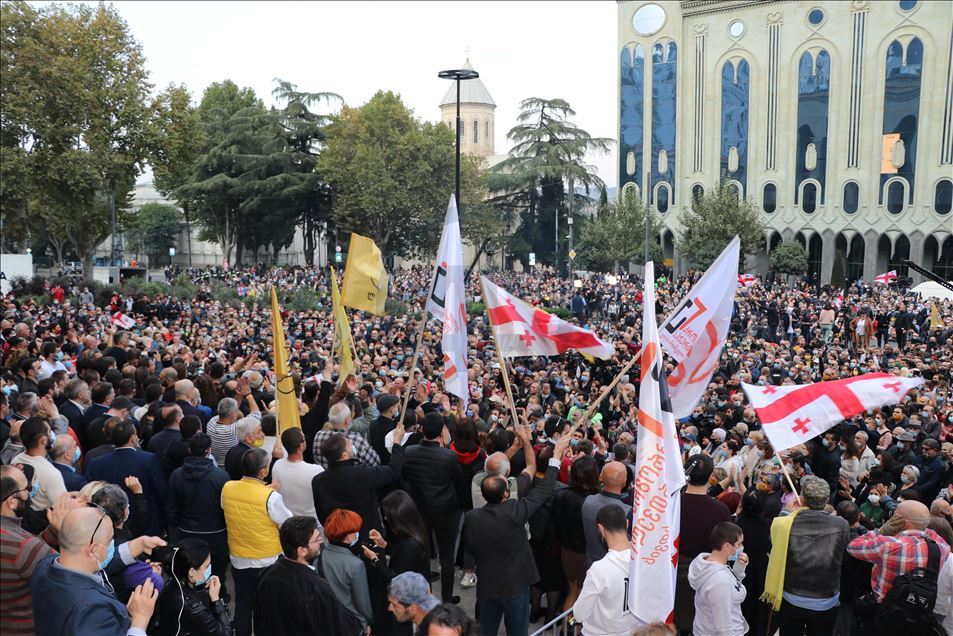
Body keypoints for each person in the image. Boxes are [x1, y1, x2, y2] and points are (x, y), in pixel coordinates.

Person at [466, 434, 567, 636]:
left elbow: (472, 549)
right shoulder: (514, 511)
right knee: (517, 630)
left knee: (486, 629)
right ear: (505, 494)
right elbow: (545, 489)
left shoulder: (472, 516)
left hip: (487, 584)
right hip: (515, 585)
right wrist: (556, 456)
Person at [29, 506, 159, 636]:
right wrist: (140, 619)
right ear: (93, 551)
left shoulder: (44, 564)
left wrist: (139, 545)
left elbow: (97, 562)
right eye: (110, 540)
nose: (112, 544)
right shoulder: (92, 611)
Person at [0, 465, 84, 635]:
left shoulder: (22, 544)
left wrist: (53, 531)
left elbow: (28, 554)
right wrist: (68, 527)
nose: (31, 491)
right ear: (11, 501)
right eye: (27, 488)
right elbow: (72, 575)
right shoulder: (24, 547)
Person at [762, 475, 850, 636]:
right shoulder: (842, 524)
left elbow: (774, 541)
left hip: (793, 597)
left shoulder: (785, 523)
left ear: (802, 499)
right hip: (825, 598)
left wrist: (786, 512)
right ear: (826, 500)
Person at [847, 500, 952, 632]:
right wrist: (920, 523)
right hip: (916, 611)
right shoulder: (941, 547)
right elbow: (930, 533)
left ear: (903, 522)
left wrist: (880, 531)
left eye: (895, 516)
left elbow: (853, 547)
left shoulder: (888, 545)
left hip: (882, 610)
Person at [220, 447, 292, 636]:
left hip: (239, 558)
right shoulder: (271, 497)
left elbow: (235, 502)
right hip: (267, 560)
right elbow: (287, 522)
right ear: (263, 472)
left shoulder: (228, 488)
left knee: (243, 605)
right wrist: (272, 491)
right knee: (268, 607)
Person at [253, 515, 364, 635]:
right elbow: (336, 627)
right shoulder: (315, 588)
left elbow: (260, 620)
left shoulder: (266, 575)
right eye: (316, 539)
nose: (321, 541)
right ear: (302, 550)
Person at [402, 412, 463, 603]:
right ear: (441, 431)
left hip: (421, 510)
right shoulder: (449, 456)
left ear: (422, 429)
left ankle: (426, 596)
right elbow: (460, 484)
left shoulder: (409, 451)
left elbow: (404, 479)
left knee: (424, 554)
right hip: (445, 511)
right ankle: (445, 600)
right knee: (446, 556)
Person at [312, 425, 405, 537]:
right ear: (344, 455)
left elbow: (322, 515)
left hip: (338, 537)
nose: (353, 445)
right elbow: (392, 471)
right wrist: (397, 443)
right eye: (349, 444)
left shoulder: (318, 481)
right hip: (369, 537)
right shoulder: (360, 474)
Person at [674, 454, 731, 632]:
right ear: (710, 475)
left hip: (675, 571)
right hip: (706, 573)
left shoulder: (671, 505)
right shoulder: (721, 509)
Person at [166, 434, 230, 589]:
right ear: (208, 451)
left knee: (190, 571)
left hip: (187, 532)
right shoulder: (220, 476)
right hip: (215, 534)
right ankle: (218, 598)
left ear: (190, 450)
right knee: (217, 573)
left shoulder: (177, 475)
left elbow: (171, 506)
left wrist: (175, 527)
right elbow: (226, 508)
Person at [86, 419, 167, 536]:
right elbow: (160, 491)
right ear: (133, 438)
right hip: (145, 523)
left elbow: (89, 491)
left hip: (107, 523)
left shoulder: (97, 463)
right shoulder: (148, 459)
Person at [573, 504, 644, 636]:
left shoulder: (599, 570)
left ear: (600, 529)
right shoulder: (643, 560)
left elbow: (579, 614)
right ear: (627, 524)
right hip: (633, 631)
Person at [156, 538, 232, 636]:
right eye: (206, 566)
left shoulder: (170, 585)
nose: (210, 568)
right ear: (191, 572)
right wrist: (216, 599)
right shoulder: (194, 609)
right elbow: (226, 634)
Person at [688, 521, 749, 636]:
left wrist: (739, 567)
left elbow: (733, 588)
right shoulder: (719, 581)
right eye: (739, 544)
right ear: (727, 546)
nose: (742, 547)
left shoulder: (706, 563)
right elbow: (723, 629)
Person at [321, 508, 374, 629]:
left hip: (327, 620)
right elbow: (362, 602)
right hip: (351, 623)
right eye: (355, 531)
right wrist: (369, 621)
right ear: (349, 537)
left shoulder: (319, 555)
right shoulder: (356, 564)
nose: (357, 533)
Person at [11, 416, 66, 514]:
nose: (52, 435)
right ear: (43, 440)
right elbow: (63, 507)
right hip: (42, 524)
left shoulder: (16, 460)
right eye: (50, 432)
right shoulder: (51, 473)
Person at [581, 461, 631, 566]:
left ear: (601, 477)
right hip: (616, 568)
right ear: (624, 481)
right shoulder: (627, 511)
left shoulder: (588, 500)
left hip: (590, 563)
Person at [271, 426, 324, 518]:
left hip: (286, 521)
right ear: (301, 445)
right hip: (309, 522)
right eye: (304, 438)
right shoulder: (316, 470)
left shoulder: (277, 465)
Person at [313, 401, 380, 468]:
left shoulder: (318, 435)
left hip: (324, 476)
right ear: (346, 421)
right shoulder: (356, 439)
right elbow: (375, 462)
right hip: (349, 477)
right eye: (350, 416)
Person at [223, 416, 265, 481]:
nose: (263, 434)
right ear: (248, 438)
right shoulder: (250, 457)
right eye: (258, 432)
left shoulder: (232, 450)